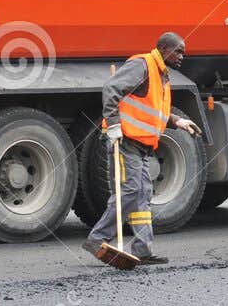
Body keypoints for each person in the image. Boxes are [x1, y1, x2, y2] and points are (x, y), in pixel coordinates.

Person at [85, 31, 201, 265]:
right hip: (126, 140)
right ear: (164, 49)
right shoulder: (142, 65)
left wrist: (177, 121)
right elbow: (111, 90)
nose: (182, 56)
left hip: (142, 145)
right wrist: (114, 125)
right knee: (130, 190)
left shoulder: (162, 75)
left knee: (143, 194)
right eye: (178, 51)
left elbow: (152, 112)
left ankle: (142, 249)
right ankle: (97, 239)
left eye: (183, 52)